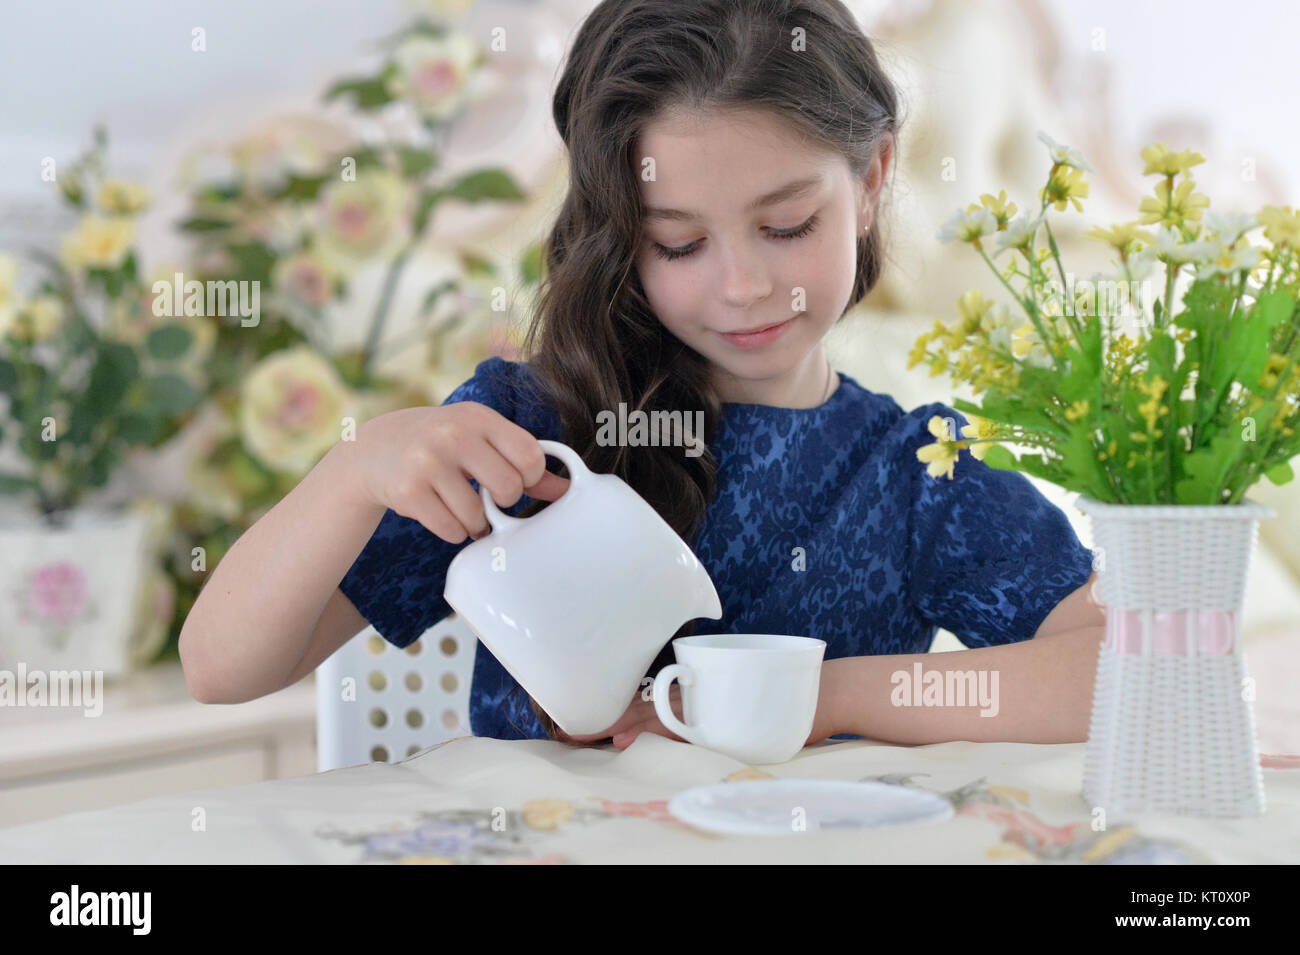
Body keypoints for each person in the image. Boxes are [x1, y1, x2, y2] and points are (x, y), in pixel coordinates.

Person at [179, 0, 1104, 751]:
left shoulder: (915, 473)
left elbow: (1124, 670)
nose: (743, 286)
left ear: (871, 180)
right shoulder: (526, 436)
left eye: (786, 226)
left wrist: (822, 699)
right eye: (679, 242)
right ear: (621, 233)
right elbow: (220, 669)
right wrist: (355, 469)